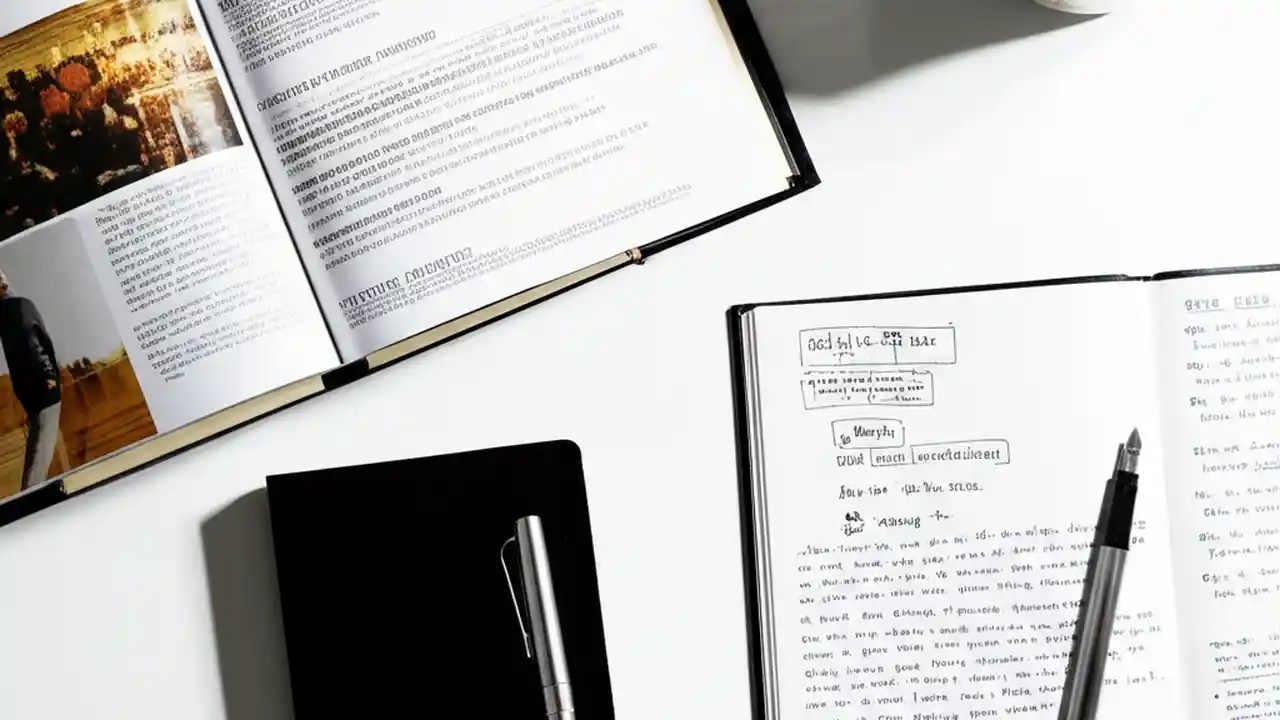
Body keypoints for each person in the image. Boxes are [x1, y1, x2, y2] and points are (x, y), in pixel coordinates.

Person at [0, 269, 63, 489]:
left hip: (37, 392)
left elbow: (31, 348)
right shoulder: (17, 308)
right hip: (45, 392)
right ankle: (28, 504)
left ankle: (29, 500)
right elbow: (37, 345)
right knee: (39, 459)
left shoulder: (11, 312)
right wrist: (50, 380)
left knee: (38, 455)